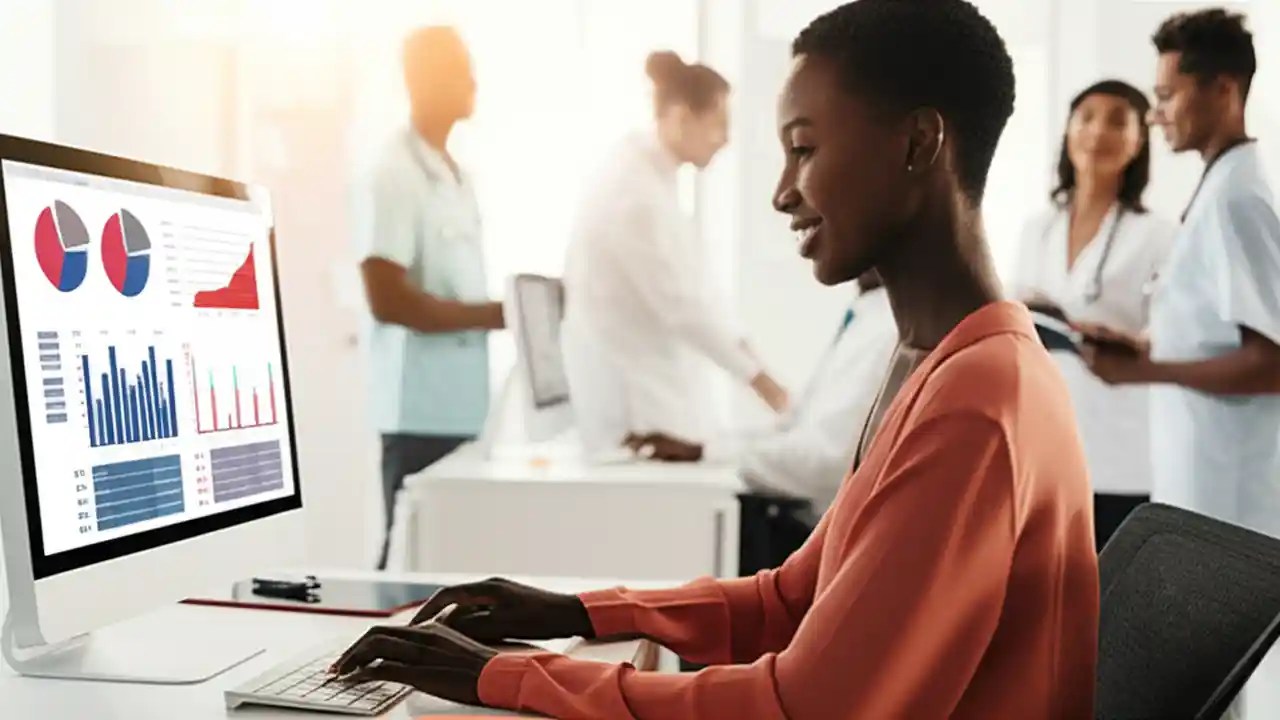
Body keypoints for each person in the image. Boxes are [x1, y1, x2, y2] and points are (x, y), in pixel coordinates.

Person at [332, 2, 1099, 718]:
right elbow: (789, 602)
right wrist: (574, 612)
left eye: (803, 149)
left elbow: (809, 705)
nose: (781, 193)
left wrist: (502, 675)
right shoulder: (936, 360)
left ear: (919, 143)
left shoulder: (979, 396)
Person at [1079, 9, 1280, 542]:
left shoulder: (1238, 200)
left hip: (1233, 504)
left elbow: (1273, 364)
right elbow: (1211, 334)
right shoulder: (1219, 188)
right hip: (1203, 489)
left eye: (1167, 97)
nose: (1154, 114)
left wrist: (1146, 373)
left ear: (1224, 89)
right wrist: (1145, 349)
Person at [560, 50, 789, 459]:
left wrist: (756, 361)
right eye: (719, 123)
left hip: (653, 399)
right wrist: (765, 385)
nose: (726, 138)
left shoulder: (651, 179)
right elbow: (682, 309)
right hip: (636, 410)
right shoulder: (633, 194)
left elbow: (701, 299)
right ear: (682, 117)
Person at [352, 27, 505, 569]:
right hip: (416, 415)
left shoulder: (454, 175)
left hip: (463, 413)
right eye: (462, 69)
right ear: (427, 79)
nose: (474, 81)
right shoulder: (393, 172)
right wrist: (497, 314)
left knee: (449, 562)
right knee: (404, 562)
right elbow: (387, 298)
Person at [1009, 80, 1175, 549]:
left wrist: (1127, 341)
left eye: (1117, 120)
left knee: (1108, 592)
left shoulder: (1158, 235)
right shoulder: (1036, 230)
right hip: (1042, 446)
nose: (1098, 131)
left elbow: (1171, 336)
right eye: (1086, 117)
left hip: (1121, 451)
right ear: (1067, 129)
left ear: (1140, 140)